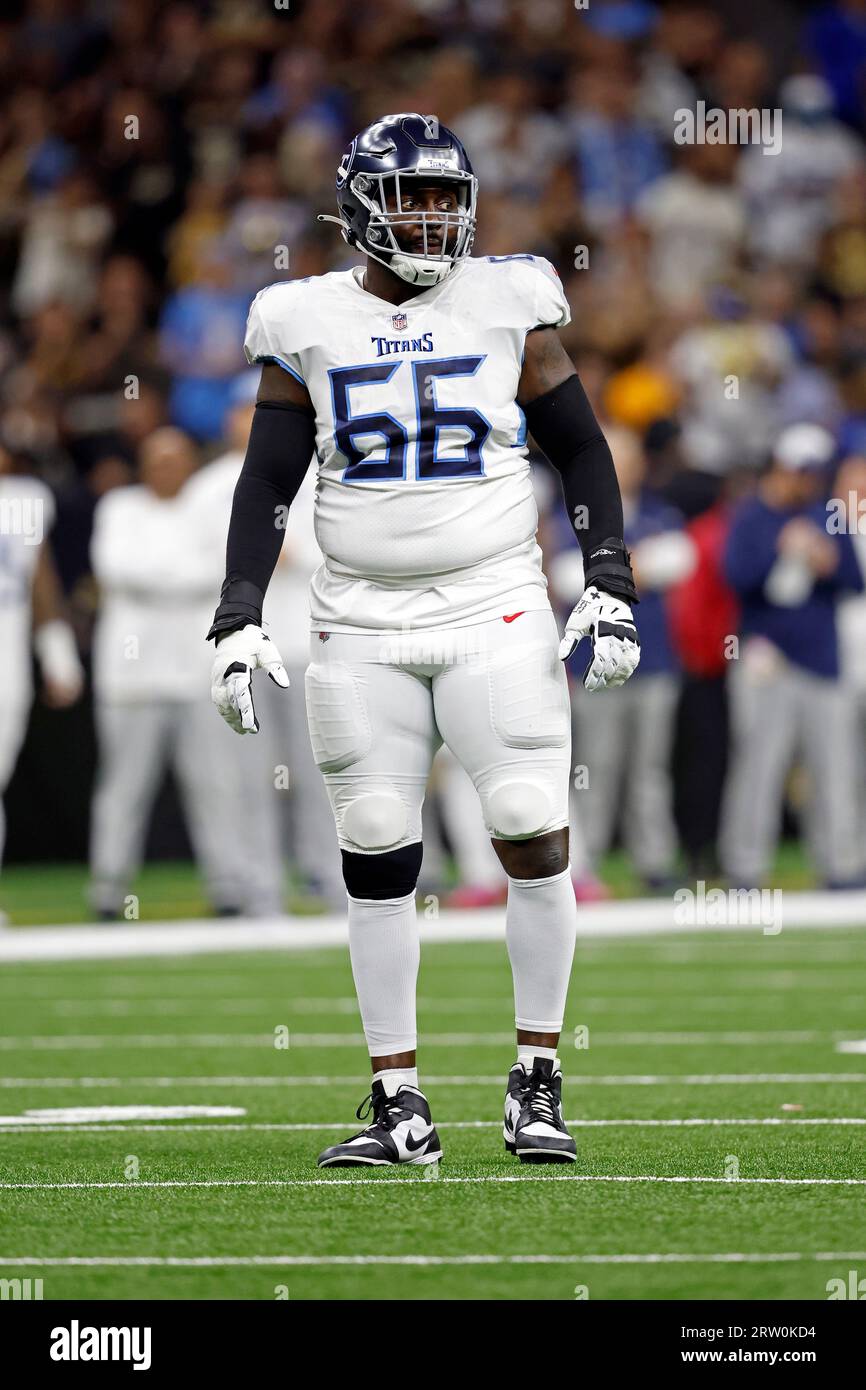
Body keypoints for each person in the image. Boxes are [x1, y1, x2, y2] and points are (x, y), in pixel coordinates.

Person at [208, 114, 641, 1168]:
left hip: (491, 599)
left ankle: (534, 1077)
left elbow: (580, 451)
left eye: (447, 198)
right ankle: (395, 1098)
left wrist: (608, 582)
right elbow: (269, 480)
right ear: (358, 205)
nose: (433, 218)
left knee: (531, 822)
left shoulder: (508, 301)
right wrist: (235, 611)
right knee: (373, 846)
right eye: (411, 197)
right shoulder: (303, 318)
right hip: (356, 615)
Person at [721, 423, 865, 888]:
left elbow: (855, 581)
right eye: (803, 472)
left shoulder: (828, 514)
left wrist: (829, 561)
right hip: (770, 659)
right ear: (782, 468)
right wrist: (779, 552)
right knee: (760, 766)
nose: (809, 481)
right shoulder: (752, 515)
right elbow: (736, 577)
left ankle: (841, 865)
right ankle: (746, 865)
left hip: (823, 659)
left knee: (835, 770)